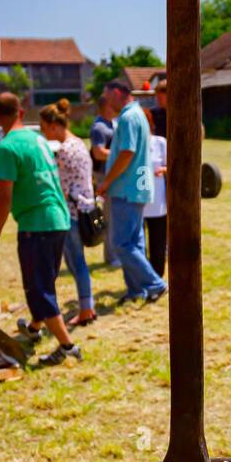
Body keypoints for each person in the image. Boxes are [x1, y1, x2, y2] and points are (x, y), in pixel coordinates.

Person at [0, 92, 80, 366]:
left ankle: (68, 346)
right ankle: (35, 328)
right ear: (21, 113)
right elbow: (33, 183)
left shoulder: (7, 147)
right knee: (44, 282)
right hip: (57, 219)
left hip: (36, 226)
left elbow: (4, 196)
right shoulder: (37, 138)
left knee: (38, 288)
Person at [95, 80, 167, 304]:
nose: (107, 102)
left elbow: (127, 152)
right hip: (137, 187)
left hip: (126, 188)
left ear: (117, 93)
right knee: (134, 242)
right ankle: (136, 290)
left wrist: (107, 181)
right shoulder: (138, 114)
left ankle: (155, 284)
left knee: (121, 243)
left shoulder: (128, 117)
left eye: (107, 97)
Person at [39, 103, 97, 328]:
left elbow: (60, 186)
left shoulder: (64, 151)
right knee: (77, 261)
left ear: (54, 126)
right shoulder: (79, 143)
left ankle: (86, 309)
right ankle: (87, 306)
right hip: (84, 208)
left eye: (44, 128)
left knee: (76, 262)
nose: (43, 133)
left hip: (71, 212)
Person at [90, 92, 119, 265]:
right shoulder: (99, 127)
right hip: (104, 176)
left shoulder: (111, 124)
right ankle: (111, 257)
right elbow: (98, 153)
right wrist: (122, 154)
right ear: (107, 106)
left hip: (111, 175)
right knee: (110, 217)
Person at [143, 108, 168, 277]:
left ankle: (157, 278)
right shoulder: (133, 146)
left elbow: (171, 164)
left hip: (157, 202)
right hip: (138, 201)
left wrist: (163, 170)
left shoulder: (160, 142)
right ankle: (143, 277)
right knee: (139, 245)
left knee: (158, 242)